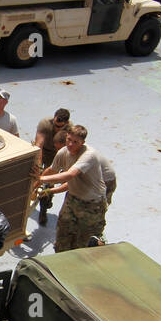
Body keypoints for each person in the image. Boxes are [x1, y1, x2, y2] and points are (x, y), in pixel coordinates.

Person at [39, 124, 116, 252]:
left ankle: (97, 241)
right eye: (69, 139)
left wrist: (40, 180)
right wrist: (37, 184)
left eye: (75, 142)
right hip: (73, 198)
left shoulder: (89, 155)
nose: (70, 144)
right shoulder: (63, 152)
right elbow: (52, 170)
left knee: (82, 242)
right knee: (62, 233)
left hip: (92, 203)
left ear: (82, 143)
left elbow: (70, 176)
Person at [34, 107, 71, 225]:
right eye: (55, 125)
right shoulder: (45, 124)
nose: (56, 128)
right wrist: (39, 166)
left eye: (60, 127)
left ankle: (46, 203)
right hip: (44, 152)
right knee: (39, 178)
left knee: (50, 182)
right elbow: (39, 145)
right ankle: (42, 206)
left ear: (67, 123)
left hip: (59, 154)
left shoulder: (70, 130)